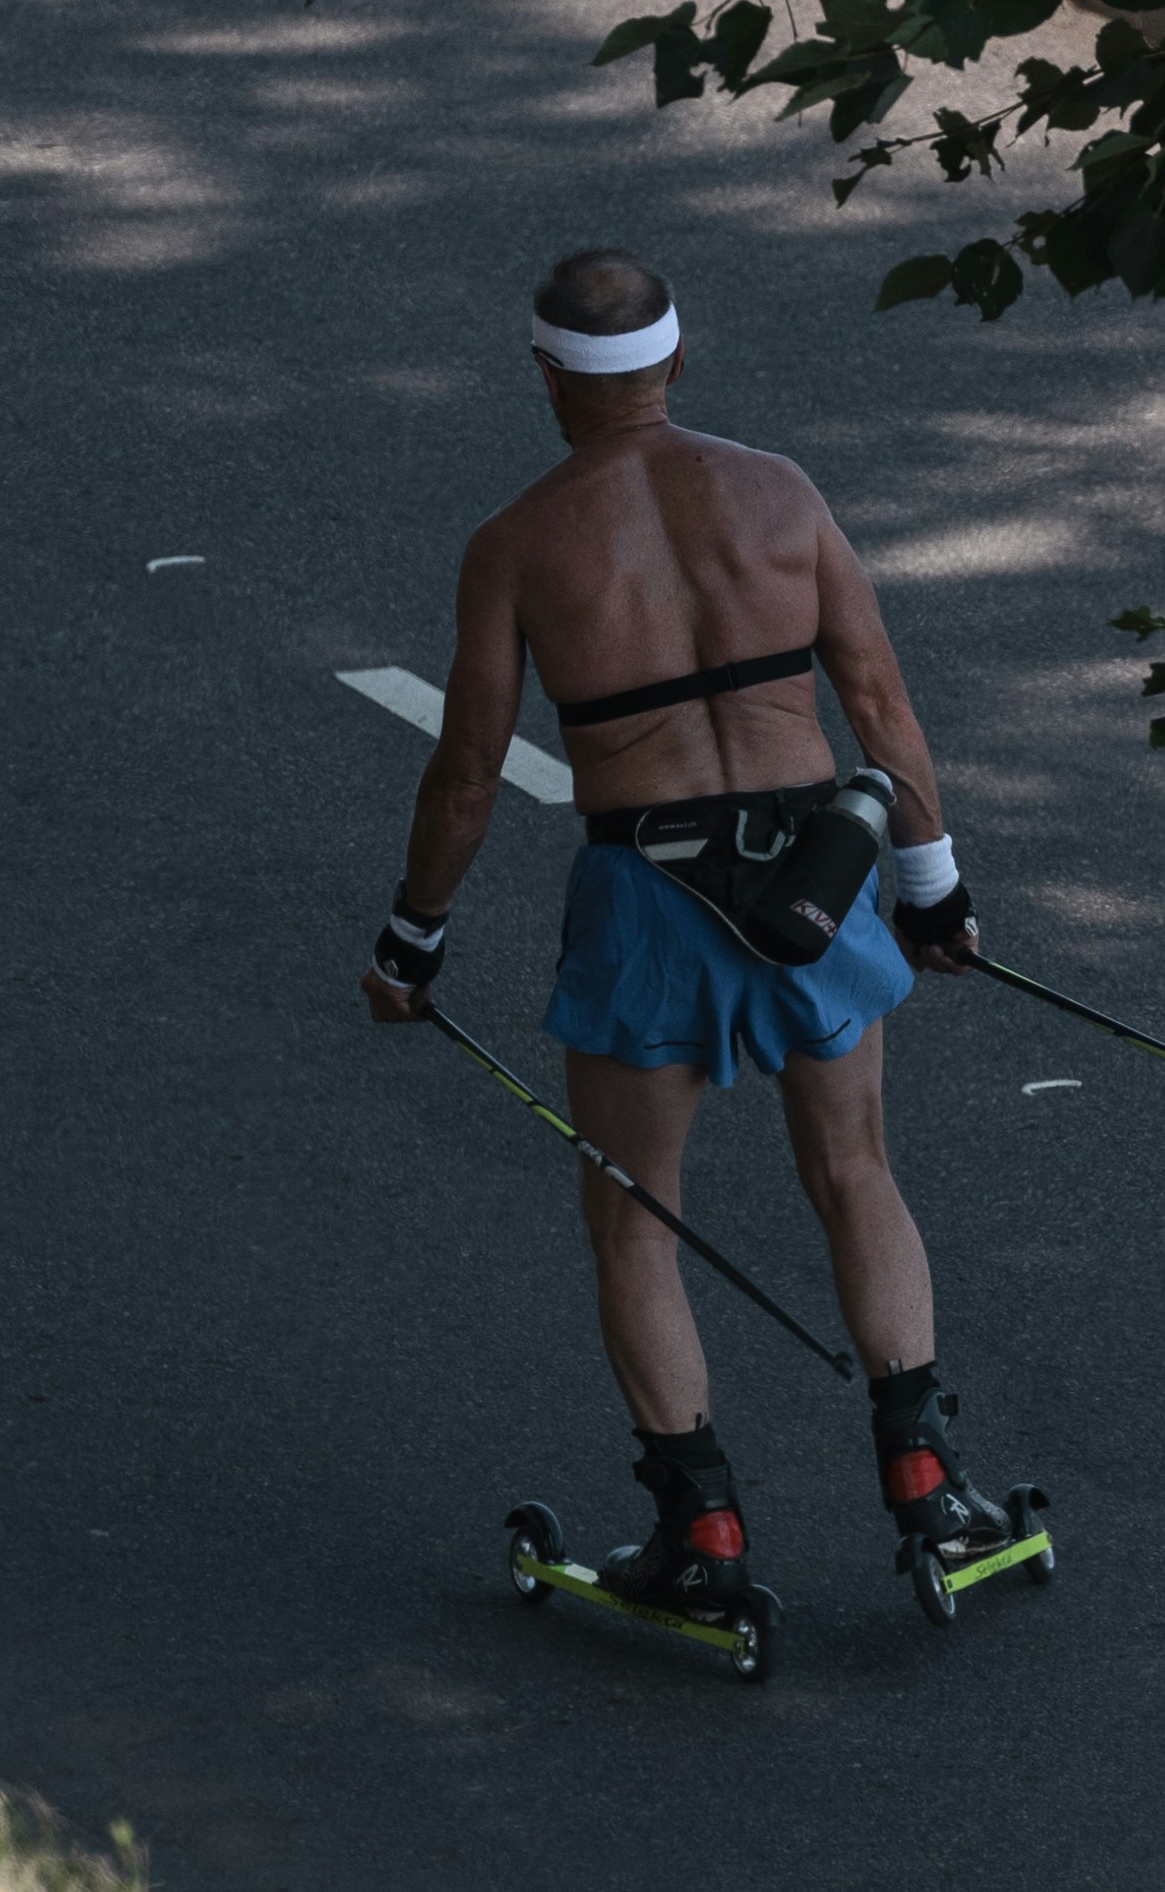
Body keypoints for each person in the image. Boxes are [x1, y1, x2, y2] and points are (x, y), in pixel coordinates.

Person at [360, 246, 1013, 1615]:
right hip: (813, 876)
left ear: (547, 377)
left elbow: (469, 773)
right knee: (855, 1170)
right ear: (676, 357)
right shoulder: (782, 493)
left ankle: (702, 1539)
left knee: (636, 1221)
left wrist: (414, 940)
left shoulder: (518, 544)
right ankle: (928, 1486)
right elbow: (881, 706)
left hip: (646, 898)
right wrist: (933, 888)